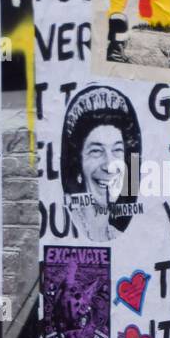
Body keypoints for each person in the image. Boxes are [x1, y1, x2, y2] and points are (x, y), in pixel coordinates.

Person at [61, 85, 144, 241]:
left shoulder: (116, 235)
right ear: (78, 162)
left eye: (117, 150)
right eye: (96, 151)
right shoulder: (67, 227)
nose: (109, 166)